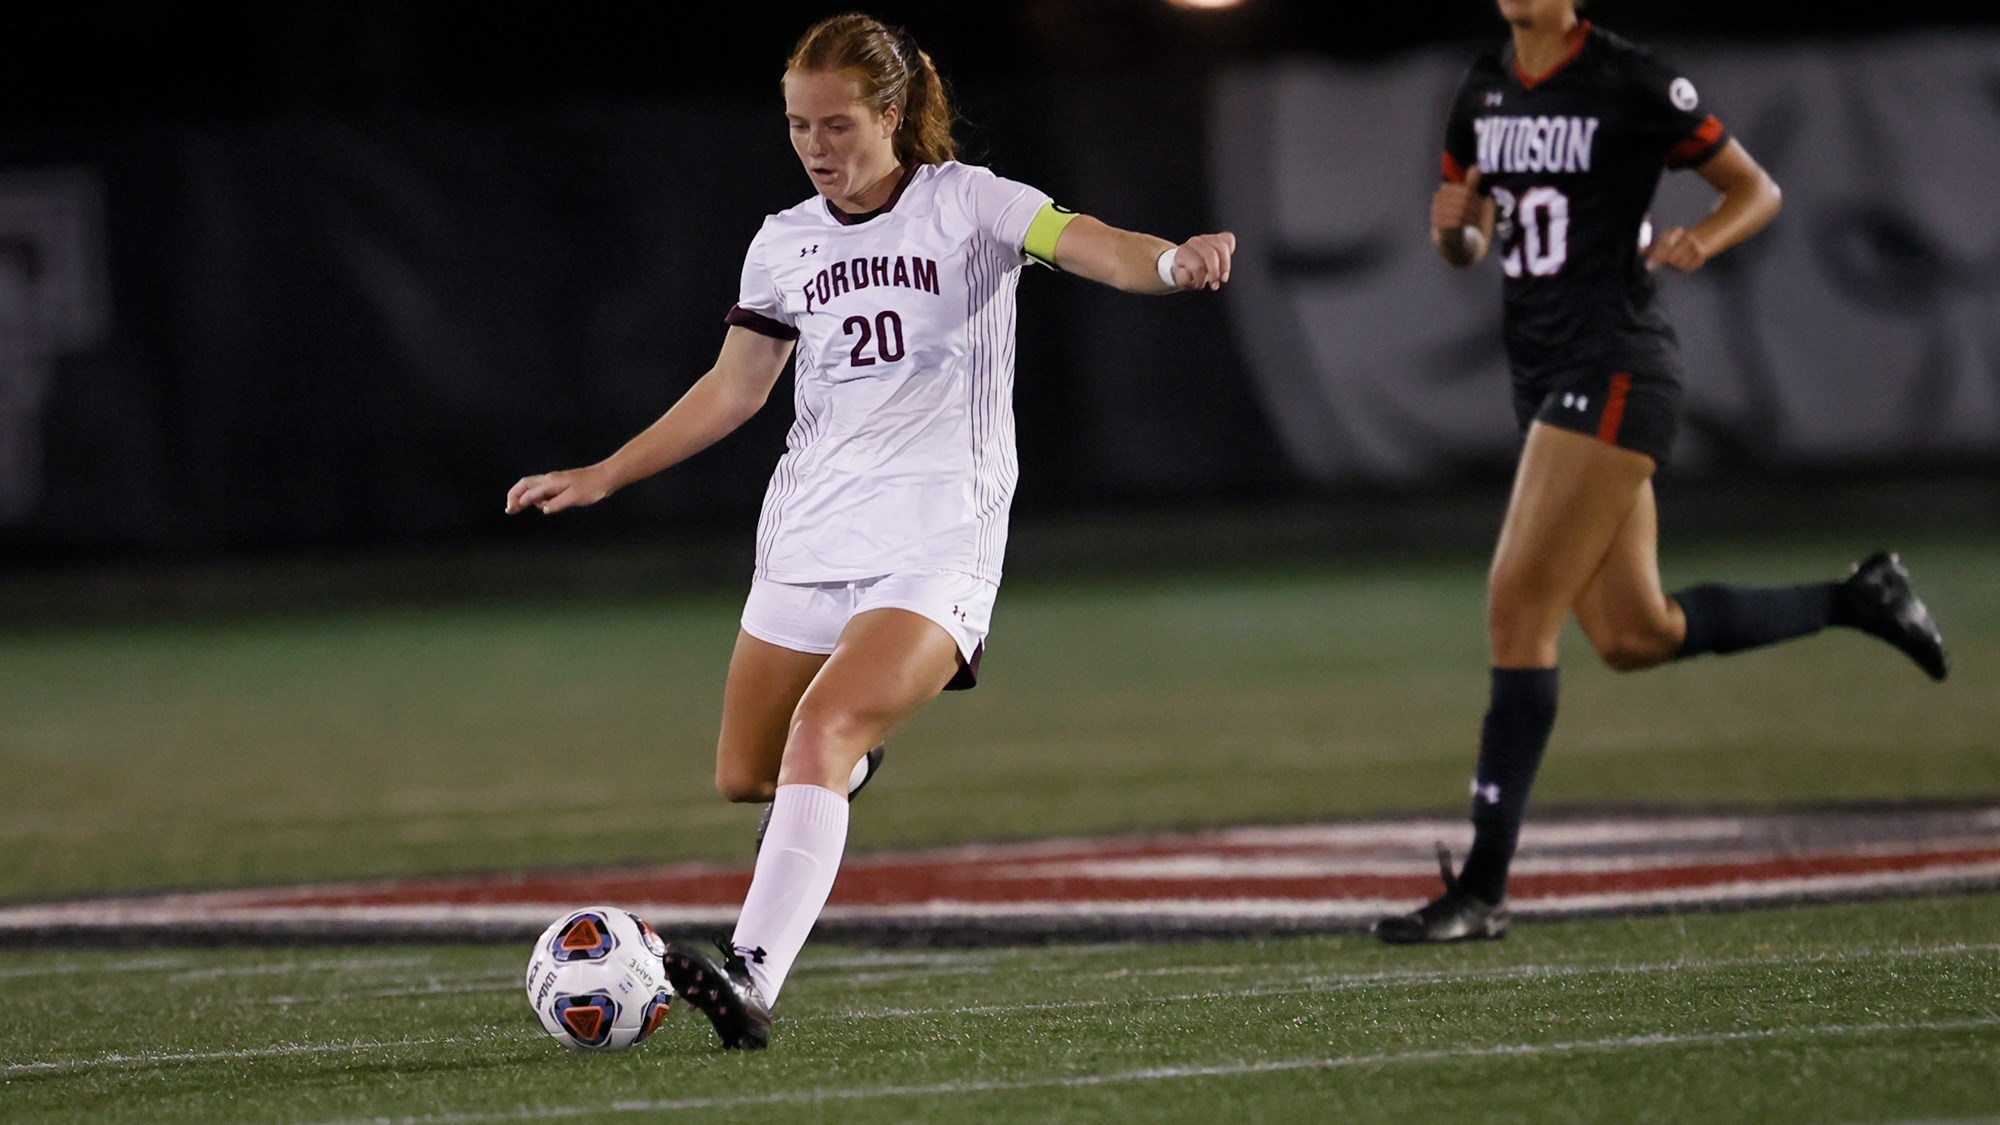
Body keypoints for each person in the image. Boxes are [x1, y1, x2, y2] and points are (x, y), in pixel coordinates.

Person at [505, 12, 1236, 1046]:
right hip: (808, 535)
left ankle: (752, 975)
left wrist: (1170, 265)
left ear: (892, 114)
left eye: (837, 125)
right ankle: (839, 775)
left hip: (936, 535)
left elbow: (1094, 248)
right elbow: (733, 389)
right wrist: (604, 473)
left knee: (821, 727)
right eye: (799, 126)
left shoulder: (969, 204)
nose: (816, 147)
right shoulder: (783, 241)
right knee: (745, 776)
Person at [1373, 0, 1948, 945]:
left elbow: (1754, 189)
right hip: (1547, 370)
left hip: (1615, 365)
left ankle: (1480, 888)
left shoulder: (1630, 76)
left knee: (1518, 607)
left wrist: (1700, 240)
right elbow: (1473, 243)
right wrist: (1453, 234)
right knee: (1635, 633)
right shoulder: (1480, 89)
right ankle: (1860, 598)